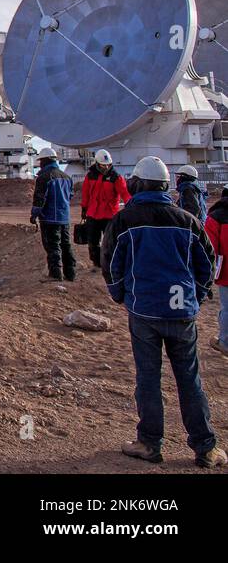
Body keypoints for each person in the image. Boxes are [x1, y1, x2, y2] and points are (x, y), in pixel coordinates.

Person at [102, 156, 226, 468]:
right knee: (189, 379)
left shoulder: (125, 220)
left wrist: (120, 294)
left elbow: (111, 262)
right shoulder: (187, 220)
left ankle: (149, 443)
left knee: (148, 378)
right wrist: (194, 296)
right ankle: (206, 448)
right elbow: (206, 263)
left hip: (144, 311)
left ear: (138, 184)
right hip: (181, 311)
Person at [80, 149, 130, 270]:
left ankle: (110, 264)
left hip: (109, 215)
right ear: (97, 163)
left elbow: (125, 193)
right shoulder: (91, 176)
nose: (106, 167)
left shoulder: (116, 177)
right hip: (93, 214)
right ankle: (97, 264)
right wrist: (84, 208)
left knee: (110, 242)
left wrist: (131, 205)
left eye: (108, 165)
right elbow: (86, 193)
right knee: (93, 242)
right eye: (103, 165)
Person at [31, 147, 75, 280]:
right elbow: (70, 195)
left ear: (44, 160)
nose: (39, 164)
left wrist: (34, 214)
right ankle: (71, 274)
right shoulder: (66, 177)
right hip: (64, 218)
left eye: (40, 161)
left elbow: (39, 198)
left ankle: (55, 274)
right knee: (66, 246)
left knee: (53, 246)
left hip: (49, 218)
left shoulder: (44, 177)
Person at [206, 186, 228, 356]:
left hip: (226, 270)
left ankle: (225, 342)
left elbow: (209, 248)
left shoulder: (215, 217)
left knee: (227, 308)